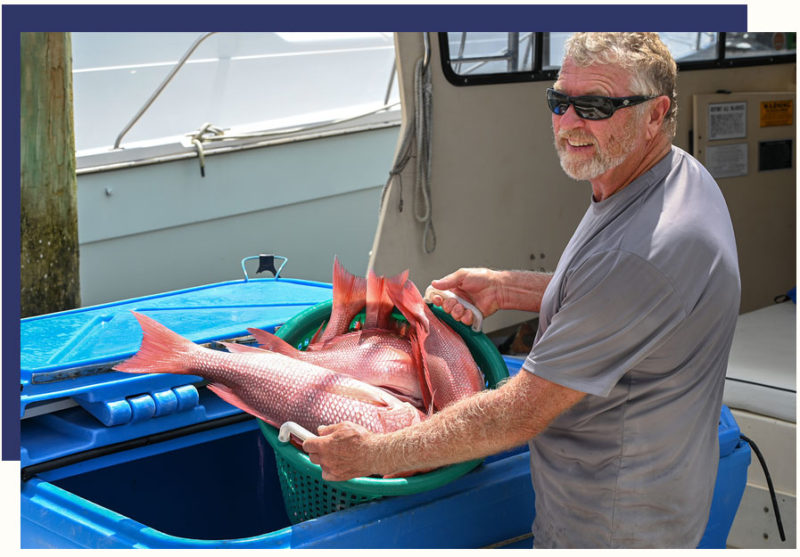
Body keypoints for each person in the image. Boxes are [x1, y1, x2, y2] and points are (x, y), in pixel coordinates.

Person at [303, 32, 741, 548]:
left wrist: (375, 451)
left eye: (596, 106)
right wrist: (507, 288)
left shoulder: (640, 252)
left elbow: (521, 412)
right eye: (560, 101)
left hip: (612, 528)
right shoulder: (676, 177)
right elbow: (615, 301)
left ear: (655, 114)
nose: (569, 122)